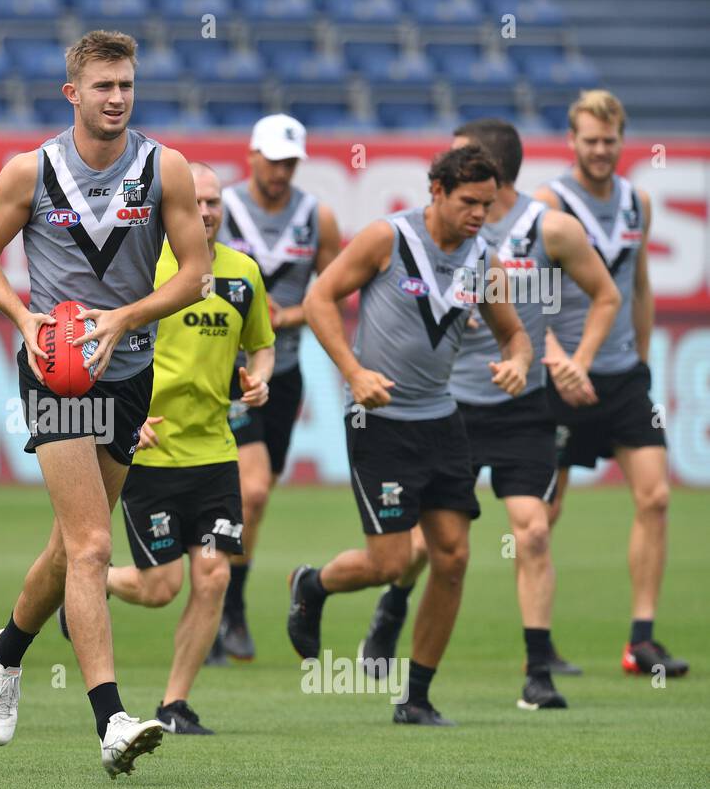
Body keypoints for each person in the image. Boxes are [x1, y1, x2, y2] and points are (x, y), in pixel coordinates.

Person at [0, 30, 211, 776]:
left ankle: (5, 650)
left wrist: (126, 319)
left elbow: (194, 274)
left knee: (68, 546)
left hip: (129, 370)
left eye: (126, 85)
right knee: (95, 546)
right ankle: (112, 722)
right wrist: (23, 316)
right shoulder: (29, 171)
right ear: (72, 93)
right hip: (56, 372)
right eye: (102, 86)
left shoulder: (165, 168)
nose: (117, 98)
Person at [356, 119, 621, 711]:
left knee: (531, 529)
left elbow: (605, 294)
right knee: (428, 549)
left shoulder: (546, 228)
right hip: (449, 408)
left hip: (519, 408)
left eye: (460, 165)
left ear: (493, 174)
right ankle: (391, 608)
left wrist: (564, 358)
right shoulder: (428, 235)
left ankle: (537, 670)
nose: (446, 179)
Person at [293, 145, 532, 725]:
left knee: (452, 558)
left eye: (489, 203)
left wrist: (519, 363)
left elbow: (515, 336)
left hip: (443, 421)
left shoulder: (485, 261)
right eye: (469, 202)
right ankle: (313, 584)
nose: (480, 213)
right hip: (379, 422)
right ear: (438, 192)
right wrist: (353, 372)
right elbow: (318, 298)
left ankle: (417, 697)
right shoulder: (387, 239)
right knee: (391, 563)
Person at [97, 161, 274, 734]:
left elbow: (262, 344)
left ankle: (174, 706)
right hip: (150, 453)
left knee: (214, 576)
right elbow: (106, 343)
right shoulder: (148, 268)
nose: (206, 212)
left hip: (216, 452)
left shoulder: (244, 273)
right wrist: (128, 414)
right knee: (158, 588)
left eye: (215, 202)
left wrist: (261, 376)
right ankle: (88, 584)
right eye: (196, 201)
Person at [534, 90, 687, 677]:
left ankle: (641, 641)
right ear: (572, 141)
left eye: (609, 140)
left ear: (623, 141)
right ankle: (539, 641)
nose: (600, 150)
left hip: (623, 377)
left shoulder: (636, 203)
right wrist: (552, 357)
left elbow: (638, 284)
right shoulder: (549, 203)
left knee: (656, 496)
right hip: (561, 378)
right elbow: (525, 295)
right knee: (543, 514)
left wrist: (642, 360)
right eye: (590, 140)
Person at [214, 114, 343, 663]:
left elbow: (334, 293)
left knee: (253, 501)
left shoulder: (318, 218)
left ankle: (223, 600)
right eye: (273, 160)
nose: (281, 171)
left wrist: (286, 318)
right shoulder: (218, 208)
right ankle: (229, 608)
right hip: (223, 369)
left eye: (290, 161)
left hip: (283, 371)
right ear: (252, 156)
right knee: (255, 489)